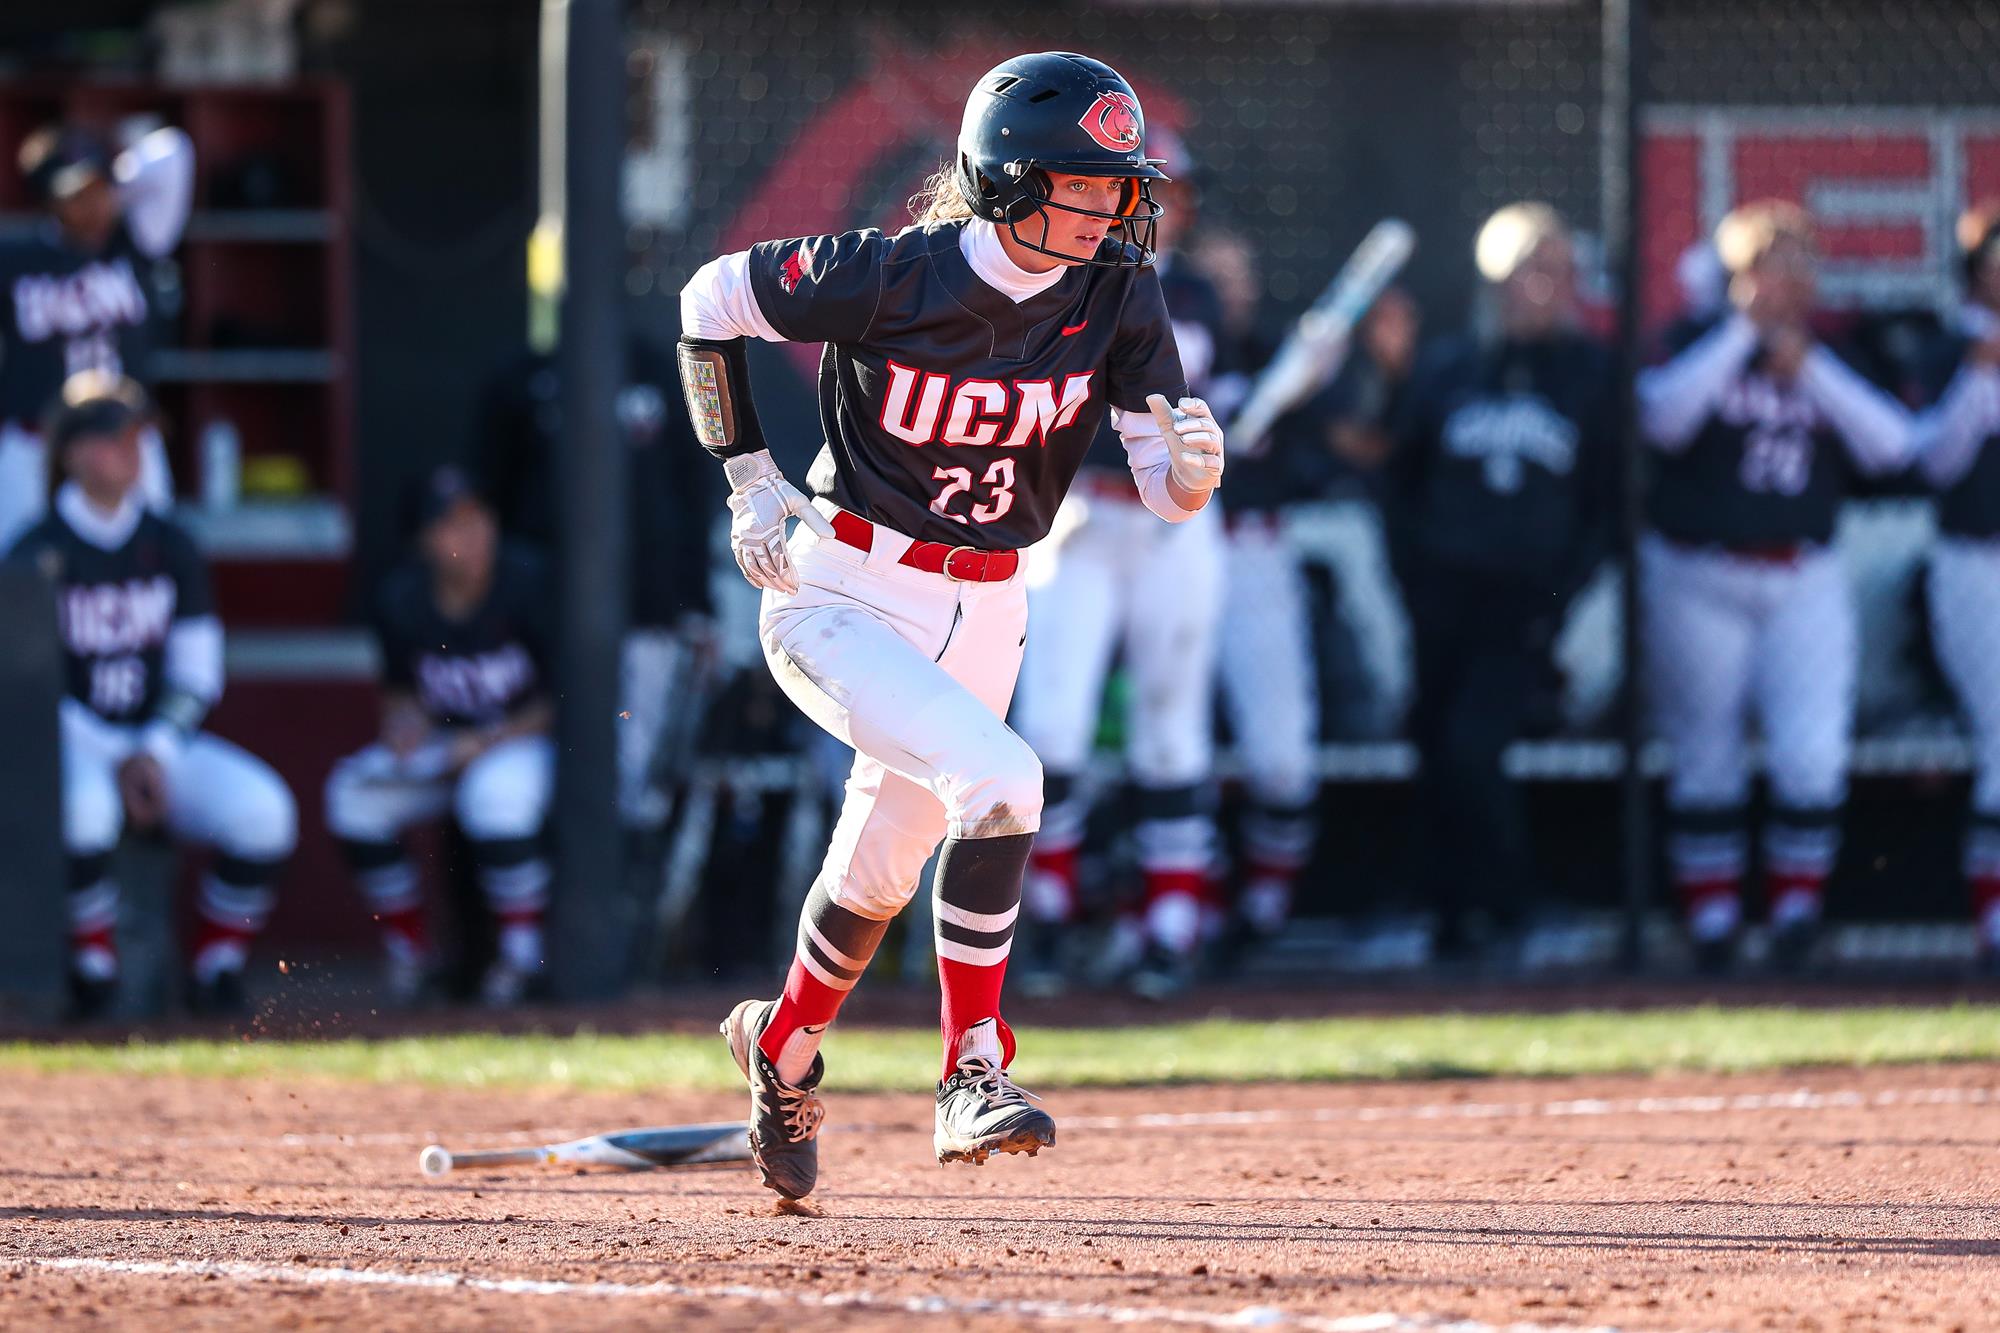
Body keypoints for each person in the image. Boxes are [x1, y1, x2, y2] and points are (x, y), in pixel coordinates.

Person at [677, 51, 1224, 1200]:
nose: (1114, 206)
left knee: (881, 865)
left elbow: (1156, 480)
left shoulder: (1115, 289)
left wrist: (1187, 477)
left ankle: (778, 1051)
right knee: (1004, 780)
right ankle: (971, 1072)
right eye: (1084, 183)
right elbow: (707, 302)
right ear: (1007, 178)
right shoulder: (889, 274)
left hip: (988, 599)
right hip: (839, 589)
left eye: (1121, 184)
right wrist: (746, 472)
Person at [1637, 200, 1911, 973]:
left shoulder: (1837, 354)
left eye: (1795, 266)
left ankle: (1795, 914)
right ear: (1732, 277)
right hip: (1700, 570)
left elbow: (1894, 449)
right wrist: (1741, 338)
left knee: (1811, 754)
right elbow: (1662, 421)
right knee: (1705, 753)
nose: (1783, 283)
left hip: (1803, 574)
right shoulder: (1694, 341)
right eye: (1764, 266)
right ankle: (1714, 920)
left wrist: (1809, 369)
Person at [1010, 128, 1227, 1000]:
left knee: (1171, 729)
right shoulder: (1051, 279)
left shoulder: (1196, 288)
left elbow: (1174, 383)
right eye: (1142, 190)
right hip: (1077, 517)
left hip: (1171, 525)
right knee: (1053, 729)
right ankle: (1051, 918)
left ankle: (1169, 931)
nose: (1158, 207)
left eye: (1170, 192)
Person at [5, 372, 295, 1018]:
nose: (130, 454)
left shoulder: (172, 543)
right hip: (76, 744)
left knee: (264, 810)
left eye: (138, 439)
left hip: (158, 745)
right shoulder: (35, 551)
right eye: (114, 440)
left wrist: (153, 752)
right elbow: (29, 692)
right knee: (83, 810)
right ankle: (94, 968)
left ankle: (213, 967)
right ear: (74, 451)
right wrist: (118, 755)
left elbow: (197, 673)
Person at [1374, 204, 1617, 962]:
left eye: (1554, 269)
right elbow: (1401, 476)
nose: (1538, 286)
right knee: (1435, 745)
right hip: (1442, 595)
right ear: (1494, 279)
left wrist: (1564, 597)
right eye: (1523, 269)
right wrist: (1413, 579)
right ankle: (1450, 915)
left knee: (1475, 747)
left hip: (1530, 605)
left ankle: (1509, 906)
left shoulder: (1592, 373)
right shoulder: (1449, 367)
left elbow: (1608, 499)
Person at [323, 466, 557, 1007]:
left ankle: (521, 960)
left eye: (478, 520)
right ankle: (411, 953)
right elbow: (402, 693)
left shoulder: (527, 580)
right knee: (352, 795)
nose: (471, 537)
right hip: (448, 747)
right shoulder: (403, 599)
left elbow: (566, 703)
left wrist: (491, 739)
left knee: (493, 795)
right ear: (424, 540)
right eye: (451, 526)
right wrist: (404, 728)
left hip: (523, 743)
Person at [0, 123, 192, 551]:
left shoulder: (135, 244)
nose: (95, 204)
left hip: (127, 442)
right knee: (20, 579)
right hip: (36, 447)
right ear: (50, 200)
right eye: (78, 195)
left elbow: (174, 153)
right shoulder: (15, 259)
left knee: (148, 564)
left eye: (102, 190)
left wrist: (115, 172)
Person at [1913, 204, 2000, 972]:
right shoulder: (1951, 348)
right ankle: (1995, 922)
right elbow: (1933, 463)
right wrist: (1981, 372)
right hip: (1977, 563)